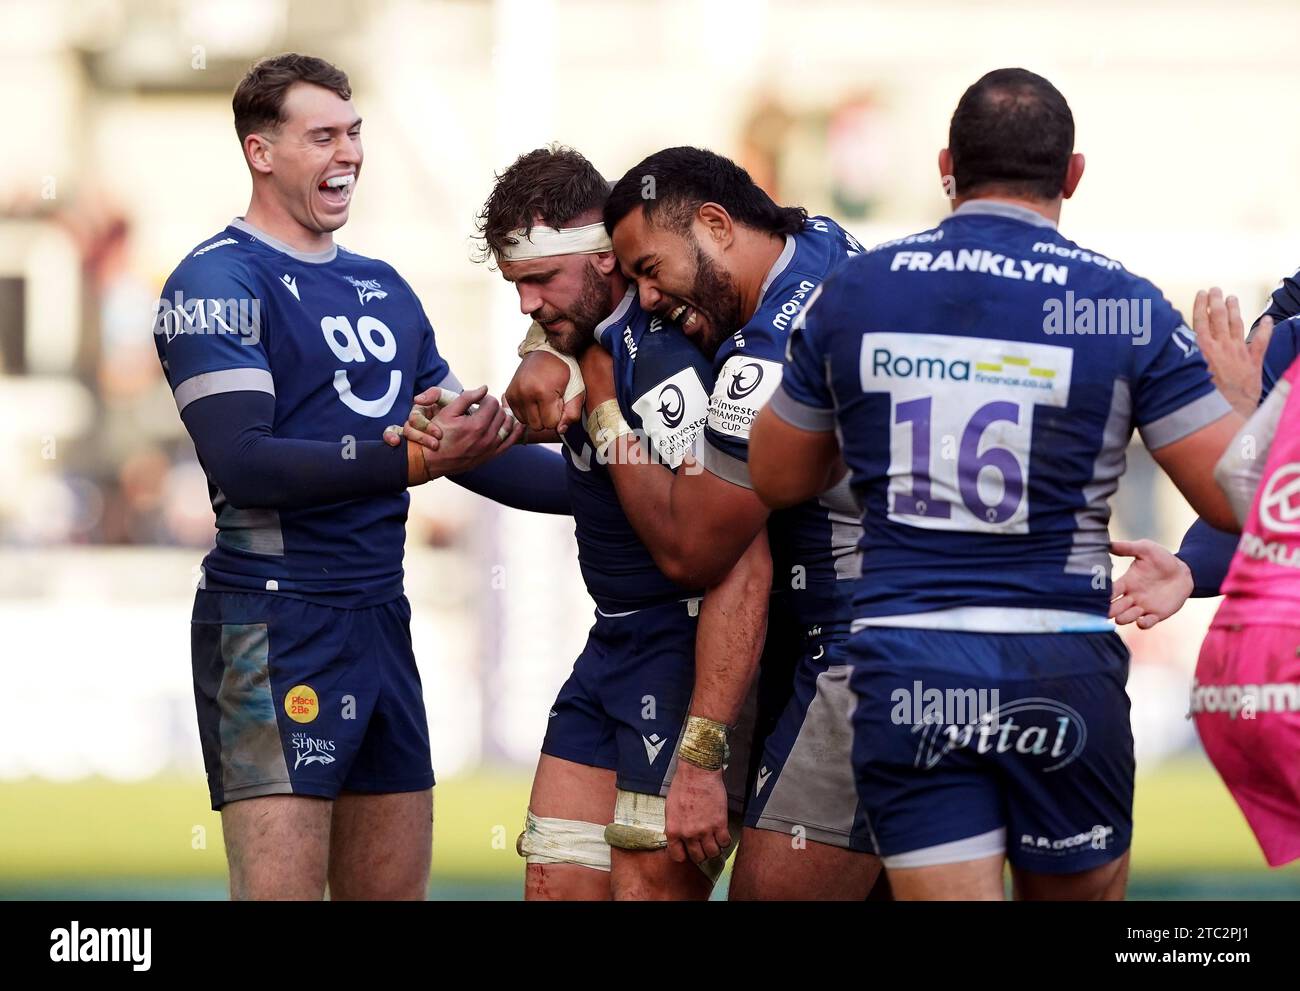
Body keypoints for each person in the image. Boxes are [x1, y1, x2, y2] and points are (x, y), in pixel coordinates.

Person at [747, 67, 1244, 900]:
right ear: (1072, 174)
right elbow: (1236, 500)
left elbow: (774, 474)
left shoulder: (855, 292)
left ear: (948, 165)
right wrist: (1237, 402)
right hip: (1056, 661)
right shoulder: (1120, 305)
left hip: (908, 662)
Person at [153, 54, 568, 901]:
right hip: (274, 616)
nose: (348, 153)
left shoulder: (383, 288)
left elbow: (477, 449)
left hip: (382, 619)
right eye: (322, 136)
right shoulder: (217, 280)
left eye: (354, 133)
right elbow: (244, 459)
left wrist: (634, 485)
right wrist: (409, 459)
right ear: (260, 151)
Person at [403, 145, 769, 899]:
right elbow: (585, 493)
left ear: (606, 258)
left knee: (645, 892)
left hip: (681, 650)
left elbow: (736, 552)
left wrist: (705, 742)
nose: (528, 306)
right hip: (614, 643)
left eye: (539, 280)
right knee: (553, 882)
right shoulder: (591, 341)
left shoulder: (656, 359)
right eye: (517, 287)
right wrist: (461, 452)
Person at [579, 146, 883, 898]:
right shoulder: (821, 242)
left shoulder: (772, 347)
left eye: (650, 269)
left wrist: (602, 398)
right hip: (916, 635)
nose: (646, 299)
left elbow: (694, 547)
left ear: (716, 225)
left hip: (865, 645)